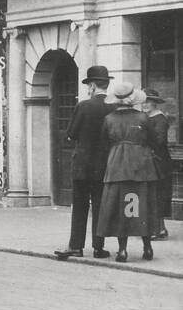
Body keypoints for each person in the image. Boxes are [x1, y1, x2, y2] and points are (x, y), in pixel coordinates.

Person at [55, 65, 114, 260]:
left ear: (93, 86)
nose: (88, 88)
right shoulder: (113, 107)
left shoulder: (83, 106)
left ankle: (76, 246)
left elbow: (71, 134)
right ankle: (99, 248)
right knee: (100, 205)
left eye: (89, 84)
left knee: (80, 205)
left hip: (82, 164)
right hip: (104, 165)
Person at [97, 81, 161, 262]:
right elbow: (155, 140)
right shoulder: (143, 118)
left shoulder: (109, 119)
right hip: (142, 166)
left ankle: (122, 250)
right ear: (134, 99)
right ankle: (147, 247)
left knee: (120, 208)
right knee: (144, 207)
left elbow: (103, 144)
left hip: (117, 166)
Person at [141, 88, 171, 239]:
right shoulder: (146, 118)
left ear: (154, 103)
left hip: (159, 161)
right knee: (151, 193)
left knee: (158, 193)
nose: (144, 104)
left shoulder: (160, 119)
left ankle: (158, 229)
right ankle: (158, 228)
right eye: (143, 101)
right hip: (149, 160)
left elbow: (159, 141)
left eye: (148, 101)